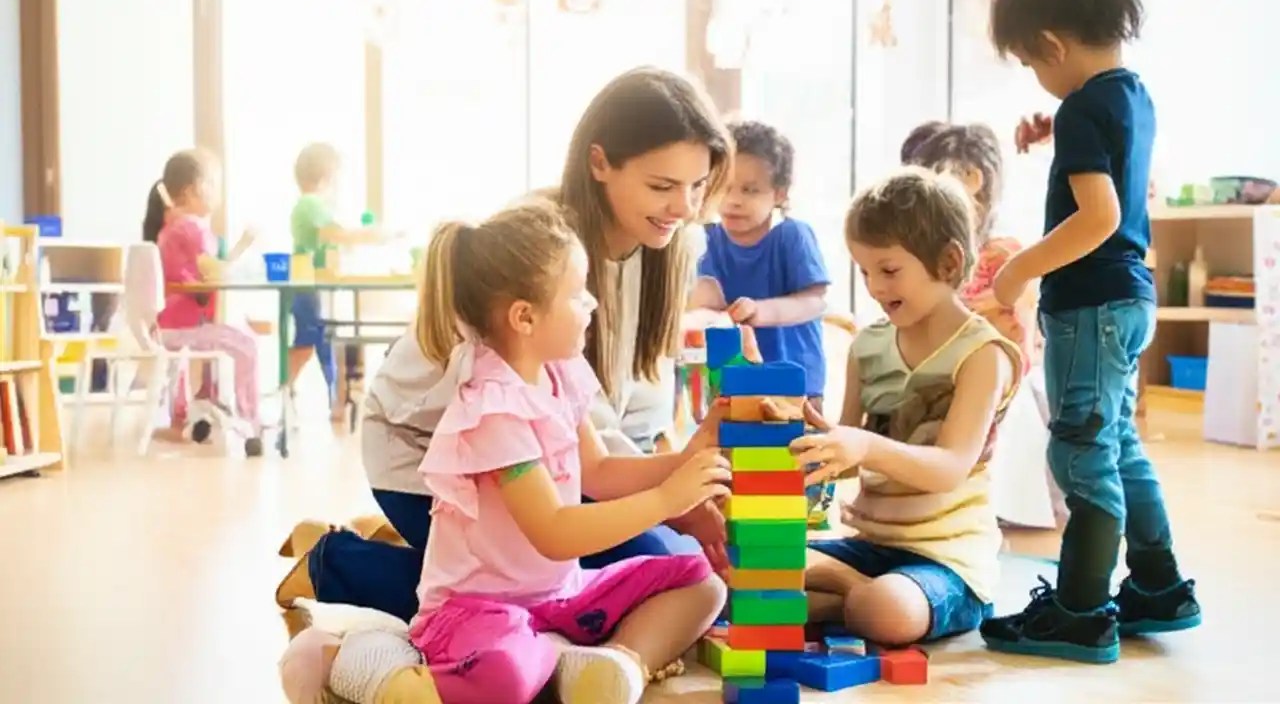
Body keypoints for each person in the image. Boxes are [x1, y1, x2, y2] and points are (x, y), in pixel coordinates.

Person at [280, 66, 734, 624]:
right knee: (587, 587)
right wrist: (665, 502)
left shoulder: (664, 245)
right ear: (599, 163)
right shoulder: (544, 252)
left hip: (543, 468)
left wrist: (686, 467)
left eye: (697, 186)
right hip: (432, 455)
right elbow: (565, 500)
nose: (684, 207)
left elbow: (601, 443)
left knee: (670, 566)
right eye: (662, 187)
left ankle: (395, 547)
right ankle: (337, 564)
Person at [284, 201, 730, 704]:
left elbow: (599, 472)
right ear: (524, 317)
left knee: (702, 584)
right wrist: (667, 500)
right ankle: (346, 659)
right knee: (506, 675)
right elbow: (554, 532)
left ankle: (619, 663)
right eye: (577, 294)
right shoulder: (493, 410)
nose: (591, 304)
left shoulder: (559, 372)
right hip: (476, 611)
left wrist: (689, 457)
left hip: (556, 596)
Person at [979, 0, 1200, 664]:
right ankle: (1159, 586)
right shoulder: (1131, 96)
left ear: (1052, 45)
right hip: (1129, 300)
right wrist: (1057, 129)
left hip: (1089, 305)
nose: (1036, 77)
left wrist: (1019, 271)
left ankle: (1079, 612)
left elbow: (1099, 217)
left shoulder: (1080, 110)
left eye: (1031, 63)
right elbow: (1115, 156)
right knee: (1117, 444)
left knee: (1080, 451)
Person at [796, 167, 1020, 647]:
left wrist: (864, 446)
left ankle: (844, 589)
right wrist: (798, 436)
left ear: (948, 262)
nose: (875, 287)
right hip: (872, 549)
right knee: (742, 578)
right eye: (864, 271)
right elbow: (844, 459)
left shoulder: (983, 355)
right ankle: (849, 594)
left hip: (947, 563)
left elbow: (949, 467)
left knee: (887, 610)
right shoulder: (868, 347)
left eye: (889, 270)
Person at [903, 122, 1062, 528]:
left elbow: (1015, 307)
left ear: (973, 179)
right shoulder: (944, 253)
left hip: (997, 369)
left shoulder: (1003, 251)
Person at [689, 120, 830, 408]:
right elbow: (705, 302)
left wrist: (760, 311)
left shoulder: (792, 235)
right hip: (732, 384)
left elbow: (815, 302)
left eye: (750, 190)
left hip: (796, 384)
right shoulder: (705, 239)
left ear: (779, 193)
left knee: (793, 437)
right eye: (724, 187)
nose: (733, 200)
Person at [141, 149, 265, 456]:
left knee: (219, 340)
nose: (218, 194)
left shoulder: (169, 229)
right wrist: (242, 247)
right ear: (191, 190)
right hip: (184, 328)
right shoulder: (192, 227)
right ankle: (251, 421)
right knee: (246, 344)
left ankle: (194, 413)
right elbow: (215, 273)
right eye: (213, 185)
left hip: (166, 326)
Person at [288, 142, 389, 419]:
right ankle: (328, 400)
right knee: (315, 342)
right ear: (326, 176)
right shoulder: (311, 204)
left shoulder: (310, 205)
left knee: (313, 342)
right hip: (309, 286)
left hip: (313, 285)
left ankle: (333, 400)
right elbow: (336, 234)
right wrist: (373, 235)